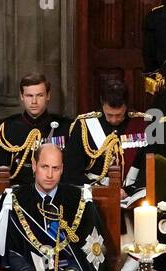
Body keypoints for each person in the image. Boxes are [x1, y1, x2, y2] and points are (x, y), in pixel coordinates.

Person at [63, 78, 150, 209]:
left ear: (126, 106)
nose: (114, 120)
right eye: (109, 115)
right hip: (94, 196)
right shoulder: (84, 125)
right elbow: (71, 171)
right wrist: (103, 190)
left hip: (133, 196)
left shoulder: (143, 124)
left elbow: (149, 166)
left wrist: (129, 190)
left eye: (119, 115)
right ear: (102, 104)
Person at [0, 73, 70, 186]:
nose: (34, 101)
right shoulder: (7, 129)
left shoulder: (65, 127)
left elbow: (71, 168)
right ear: (22, 96)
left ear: (48, 96)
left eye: (39, 95)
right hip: (18, 191)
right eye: (29, 96)